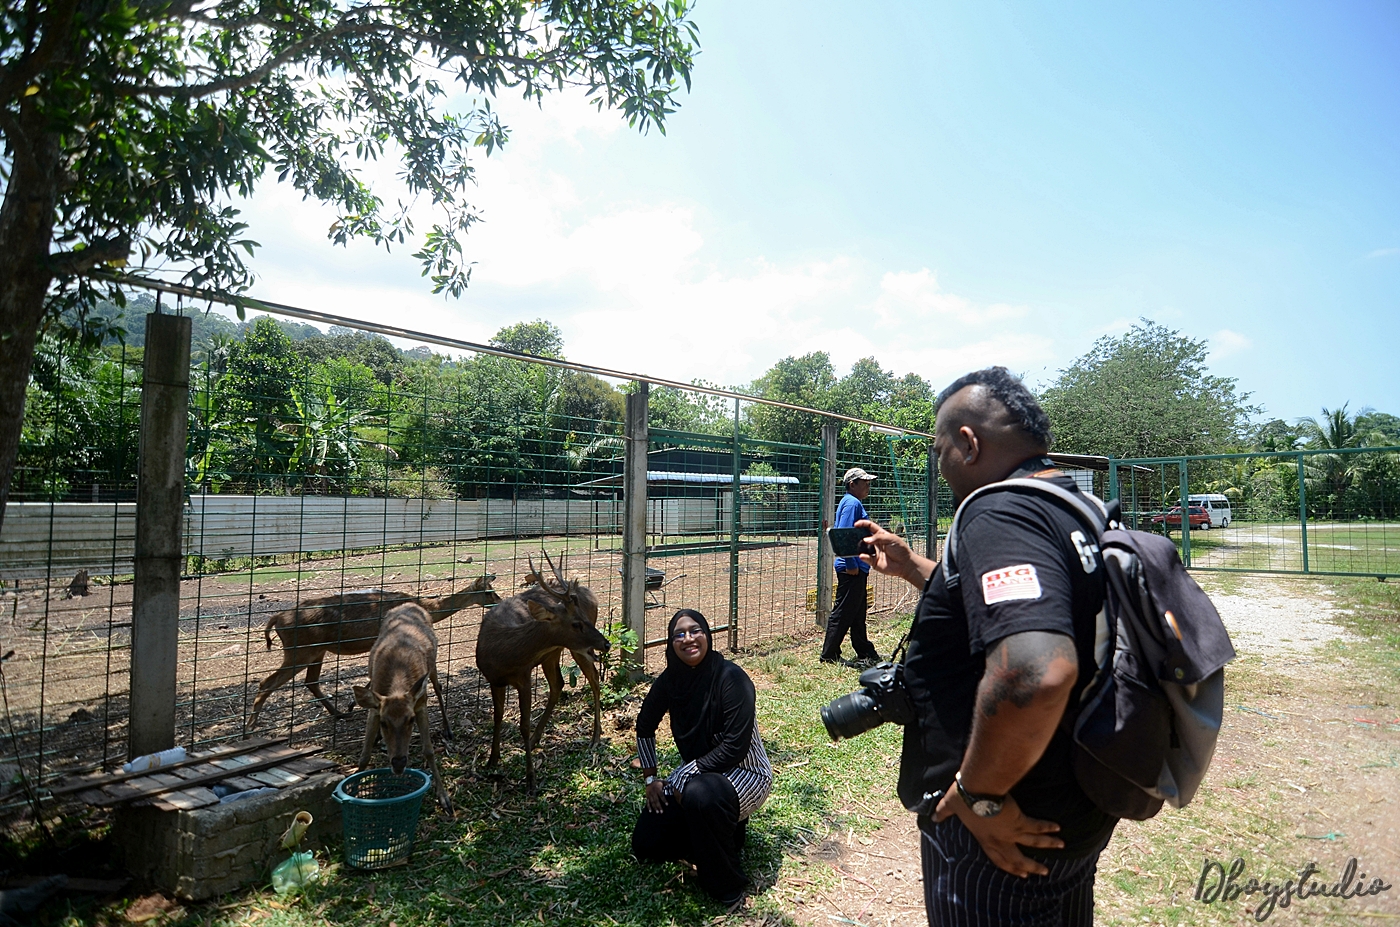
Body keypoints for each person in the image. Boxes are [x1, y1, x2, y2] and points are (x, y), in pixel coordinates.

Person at [858, 367, 1118, 927]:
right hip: (1074, 799)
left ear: (968, 443)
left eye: (939, 447)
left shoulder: (997, 510)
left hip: (1007, 823)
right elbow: (1015, 607)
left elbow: (1035, 669)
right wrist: (911, 568)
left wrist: (979, 796)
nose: (939, 461)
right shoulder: (1074, 505)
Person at [632, 608, 773, 908]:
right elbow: (644, 727)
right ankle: (722, 834)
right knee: (646, 842)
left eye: (695, 630)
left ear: (707, 635)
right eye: (679, 634)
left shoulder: (731, 678)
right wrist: (651, 779)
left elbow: (735, 747)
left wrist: (687, 772)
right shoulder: (669, 682)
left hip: (747, 773)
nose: (688, 638)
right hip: (700, 774)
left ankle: (726, 884)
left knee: (698, 796)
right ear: (671, 644)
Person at [820, 467, 883, 667]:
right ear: (851, 484)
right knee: (844, 611)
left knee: (857, 612)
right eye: (863, 482)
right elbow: (844, 533)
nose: (868, 485)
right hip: (851, 568)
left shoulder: (853, 502)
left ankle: (865, 650)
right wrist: (850, 563)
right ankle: (829, 653)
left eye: (868, 481)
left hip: (857, 566)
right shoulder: (851, 503)